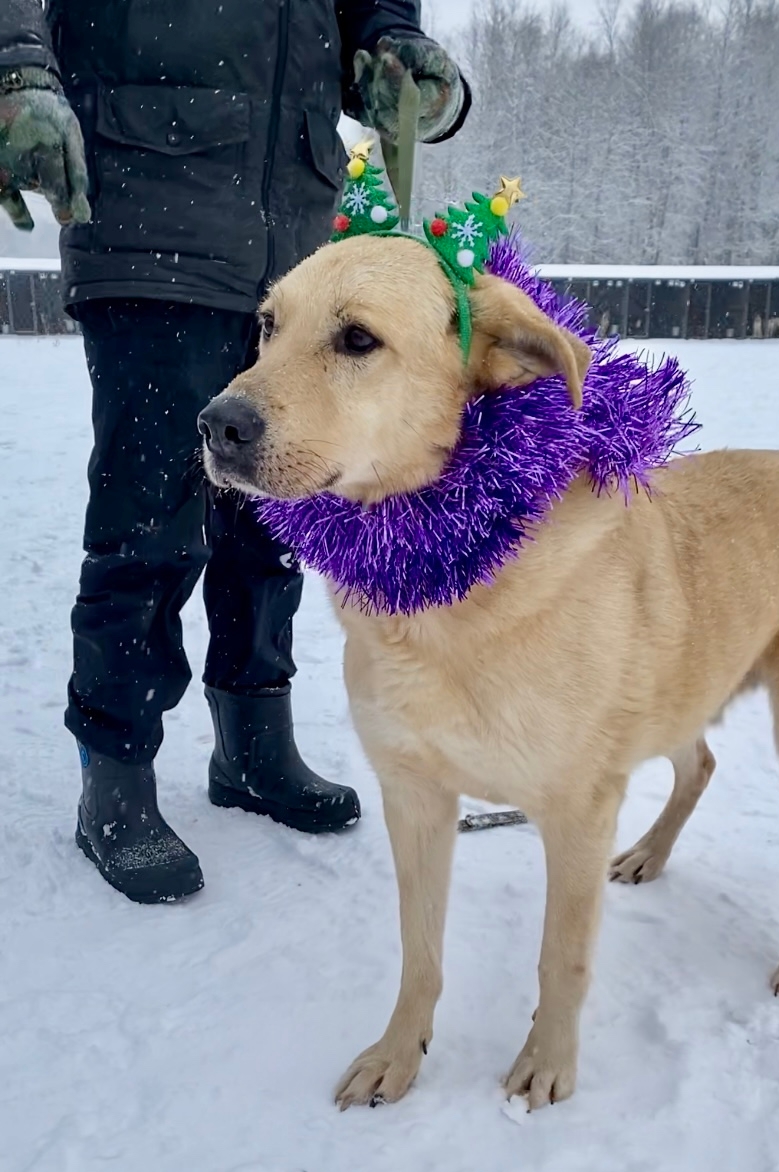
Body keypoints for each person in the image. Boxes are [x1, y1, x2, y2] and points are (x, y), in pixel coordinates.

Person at [0, 1, 470, 904]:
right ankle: (117, 773)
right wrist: (18, 67)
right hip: (148, 212)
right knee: (151, 522)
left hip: (292, 235)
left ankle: (253, 743)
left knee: (280, 513)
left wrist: (388, 34)